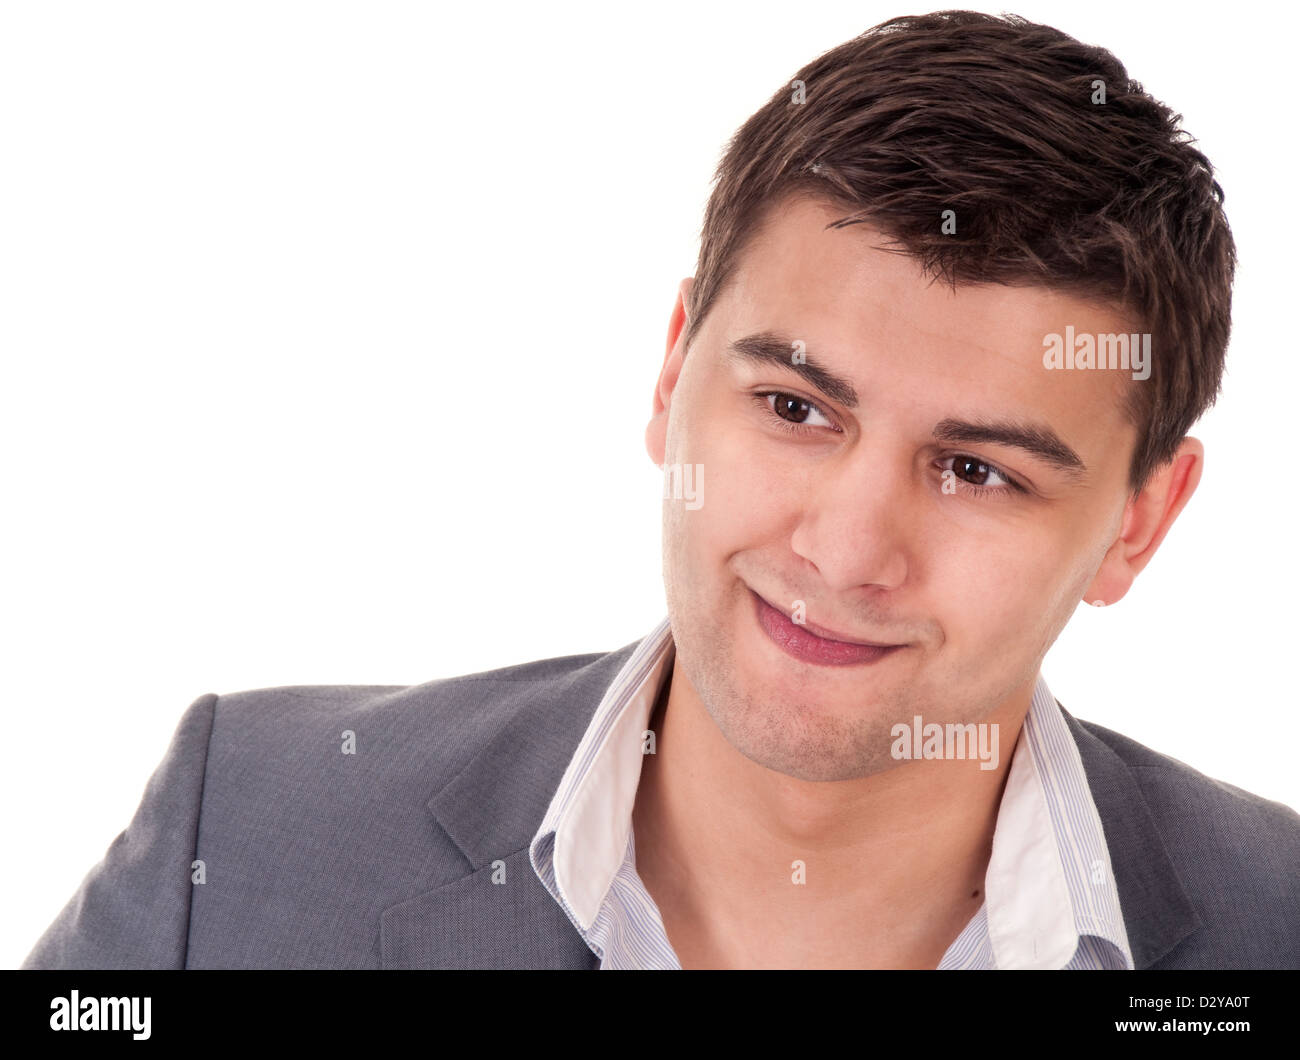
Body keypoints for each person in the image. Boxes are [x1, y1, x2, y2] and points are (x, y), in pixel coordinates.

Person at [23, 10, 1299, 970]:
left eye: (976, 470)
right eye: (796, 408)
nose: (847, 548)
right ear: (672, 368)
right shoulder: (240, 838)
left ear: (1139, 519)